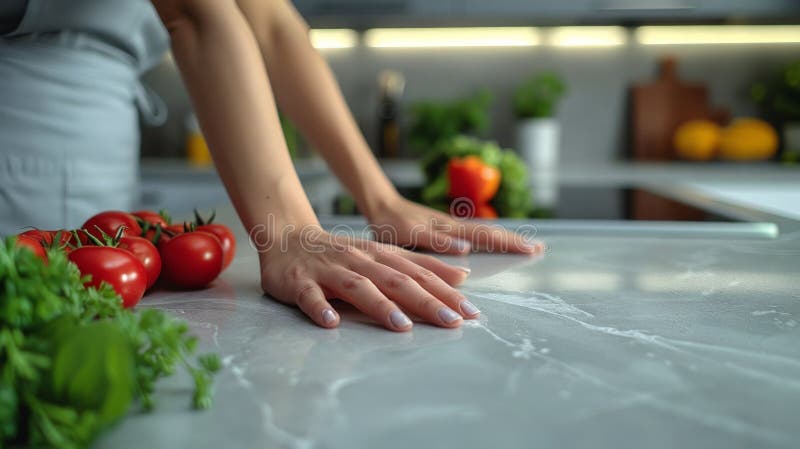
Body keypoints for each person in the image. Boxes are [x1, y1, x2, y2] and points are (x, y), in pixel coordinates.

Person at [0, 0, 542, 331]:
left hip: (94, 143)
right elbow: (197, 12)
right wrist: (288, 232)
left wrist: (381, 200)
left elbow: (274, 26)